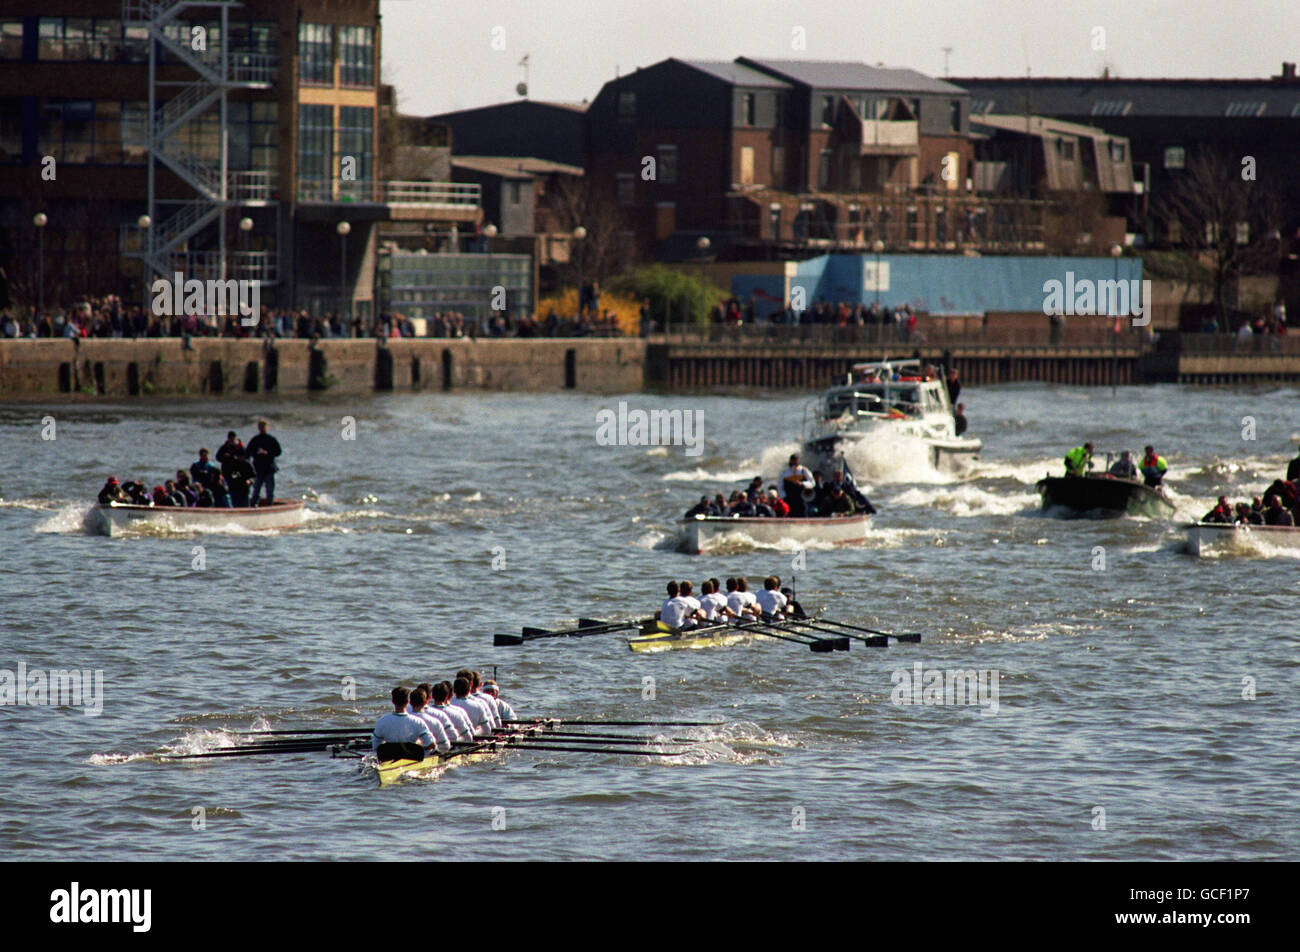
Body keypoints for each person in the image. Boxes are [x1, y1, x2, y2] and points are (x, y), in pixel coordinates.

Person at [371, 686, 436, 759]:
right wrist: (419, 747)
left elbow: (375, 747)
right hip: (411, 757)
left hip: (388, 758)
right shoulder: (418, 722)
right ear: (408, 702)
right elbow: (432, 744)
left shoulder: (382, 721)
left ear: (393, 701)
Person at [406, 687, 452, 753]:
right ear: (425, 702)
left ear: (410, 703)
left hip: (406, 755)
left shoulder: (402, 721)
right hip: (426, 756)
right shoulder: (435, 722)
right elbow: (446, 746)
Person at [247, 419, 282, 506]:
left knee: (269, 490)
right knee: (256, 489)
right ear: (258, 428)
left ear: (267, 427)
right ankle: (254, 505)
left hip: (269, 468)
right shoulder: (255, 440)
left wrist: (267, 453)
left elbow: (278, 452)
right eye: (260, 427)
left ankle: (270, 505)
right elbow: (248, 452)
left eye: (264, 427)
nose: (262, 428)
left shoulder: (271, 439)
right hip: (258, 469)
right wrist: (256, 453)